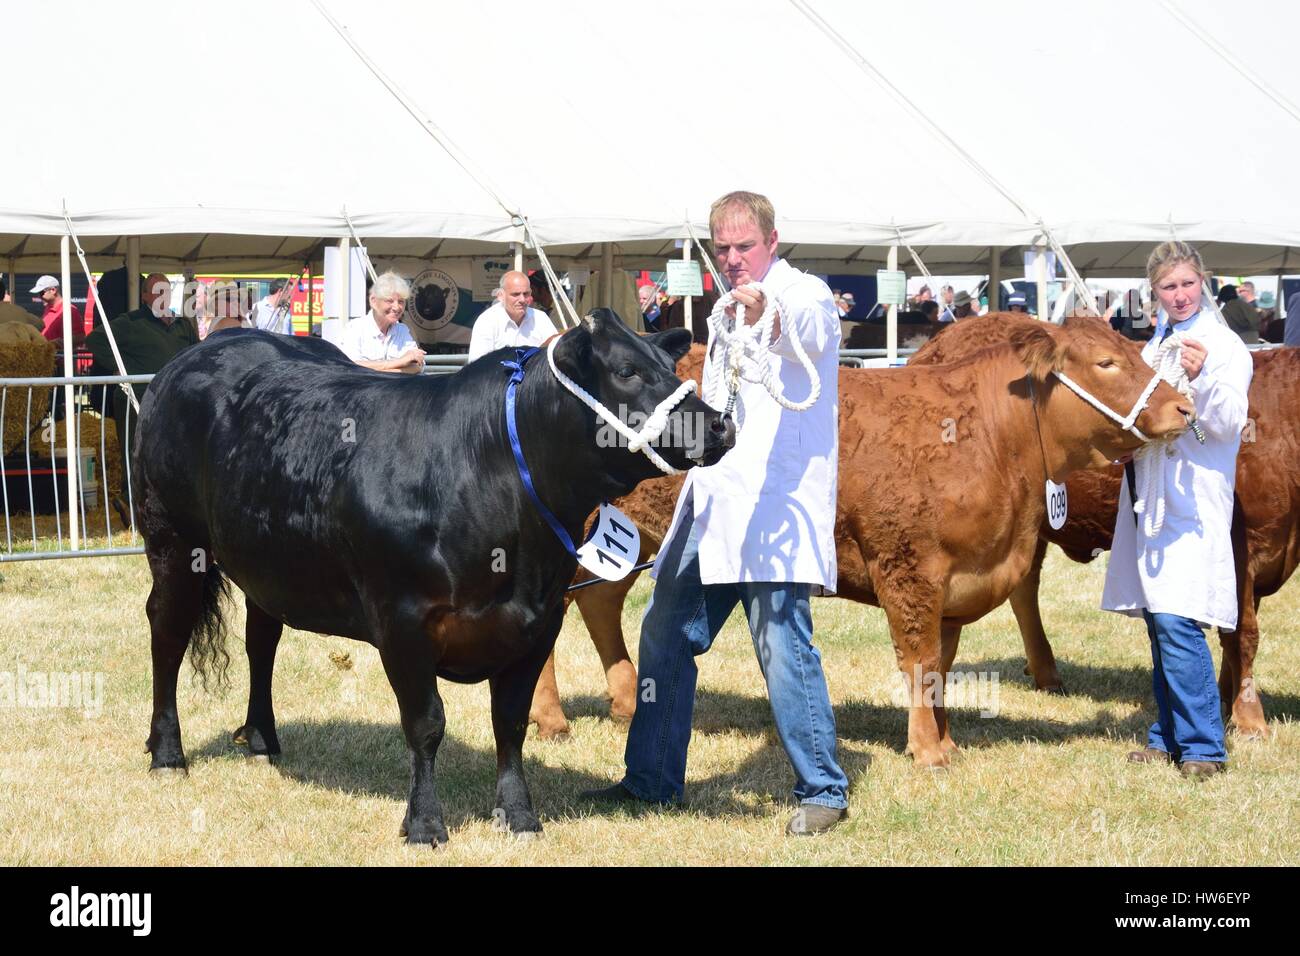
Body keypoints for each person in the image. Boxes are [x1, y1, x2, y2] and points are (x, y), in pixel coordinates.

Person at [583, 190, 849, 835]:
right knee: (664, 634)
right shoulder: (721, 314)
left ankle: (823, 789)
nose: (733, 260)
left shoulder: (804, 294)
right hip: (716, 502)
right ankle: (651, 779)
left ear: (772, 241)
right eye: (723, 249)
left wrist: (770, 314)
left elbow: (807, 329)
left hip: (775, 507)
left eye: (744, 247)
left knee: (781, 643)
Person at [1101, 241, 1252, 779]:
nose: (1180, 295)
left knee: (1176, 617)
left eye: (1188, 283)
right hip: (1150, 494)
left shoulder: (1225, 347)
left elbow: (1229, 423)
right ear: (1155, 293)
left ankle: (1204, 747)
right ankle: (1167, 738)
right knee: (1159, 619)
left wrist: (1206, 377)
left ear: (1203, 282)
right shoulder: (1154, 350)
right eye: (1169, 286)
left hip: (1191, 497)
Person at [337, 270, 425, 373]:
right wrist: (400, 362)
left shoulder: (402, 331)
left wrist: (381, 370)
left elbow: (418, 366)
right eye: (389, 301)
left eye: (401, 301)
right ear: (373, 301)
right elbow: (349, 367)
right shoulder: (354, 329)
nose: (396, 307)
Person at [466, 270, 557, 361]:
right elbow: (478, 367)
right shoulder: (487, 321)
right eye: (516, 294)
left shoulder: (541, 318)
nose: (522, 299)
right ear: (500, 296)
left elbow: (555, 355)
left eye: (526, 294)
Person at [30, 275, 85, 346]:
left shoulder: (70, 310)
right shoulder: (48, 308)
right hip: (47, 353)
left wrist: (56, 343)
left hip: (59, 355)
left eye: (41, 293)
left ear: (53, 290)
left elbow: (80, 337)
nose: (39, 296)